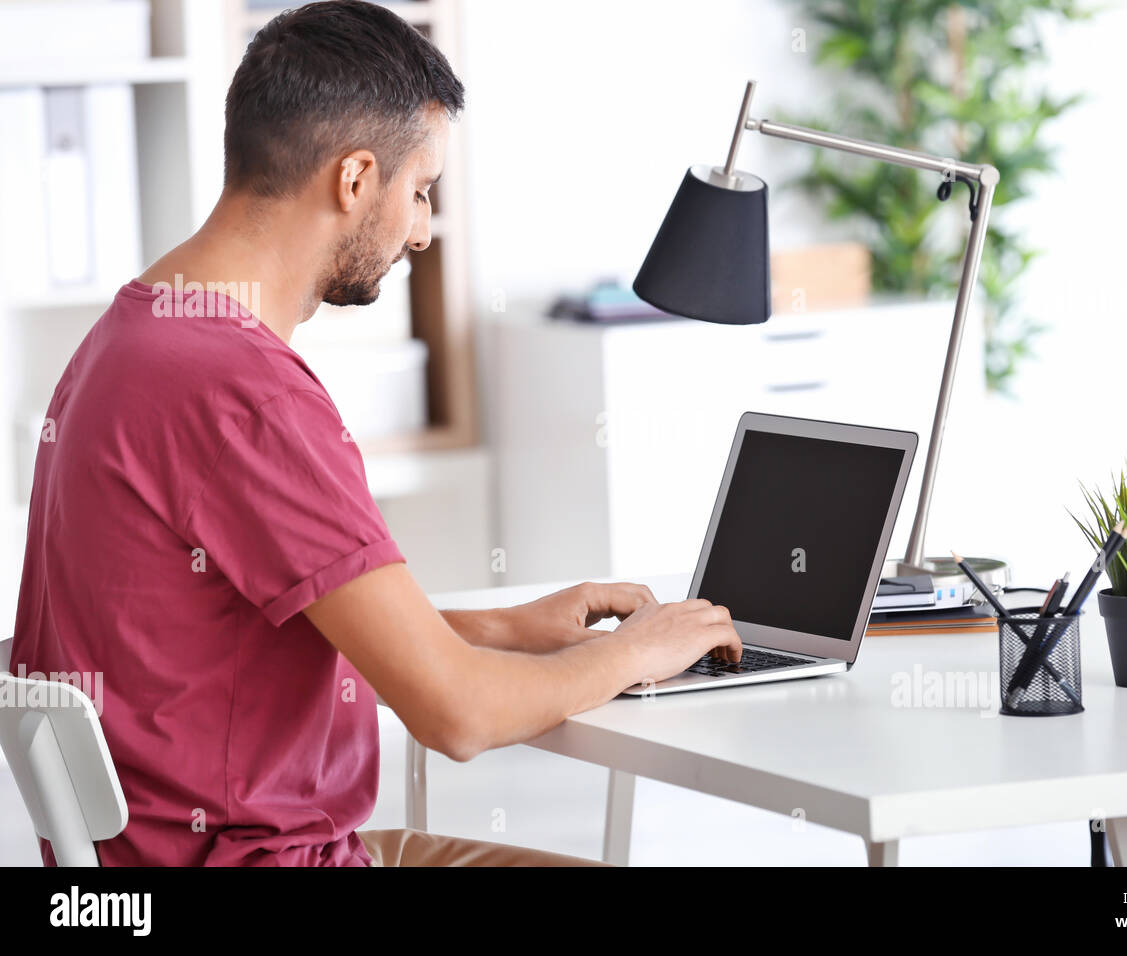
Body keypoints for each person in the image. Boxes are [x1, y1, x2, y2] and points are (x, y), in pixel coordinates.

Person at [10, 0, 740, 867]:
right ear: (355, 179)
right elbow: (457, 716)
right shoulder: (245, 394)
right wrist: (635, 653)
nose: (423, 231)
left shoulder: (128, 340)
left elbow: (235, 634)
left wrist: (502, 629)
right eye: (420, 190)